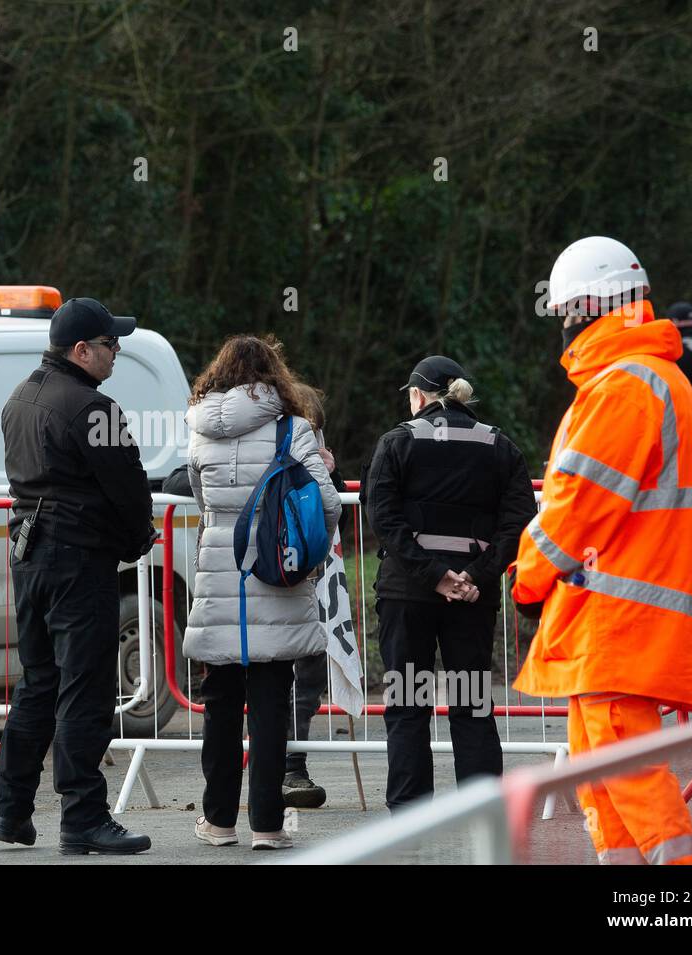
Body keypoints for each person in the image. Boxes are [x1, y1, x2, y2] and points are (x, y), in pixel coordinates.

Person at [513, 236, 692, 864]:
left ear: (591, 307)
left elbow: (576, 508)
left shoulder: (622, 386)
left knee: (626, 775)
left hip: (616, 622)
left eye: (568, 312)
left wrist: (527, 579)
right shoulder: (657, 380)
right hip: (625, 617)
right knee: (603, 777)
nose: (565, 327)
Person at [0, 297, 156, 855]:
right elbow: (128, 485)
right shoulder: (94, 408)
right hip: (78, 557)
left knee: (38, 683)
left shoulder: (19, 398)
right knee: (85, 688)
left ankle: (10, 810)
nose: (117, 353)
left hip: (29, 554)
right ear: (81, 349)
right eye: (111, 345)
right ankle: (83, 816)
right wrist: (139, 537)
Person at [183, 335, 342, 850]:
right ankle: (268, 826)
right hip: (278, 571)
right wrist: (308, 554)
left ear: (218, 375)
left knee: (220, 704)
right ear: (274, 376)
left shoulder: (199, 432)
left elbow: (202, 497)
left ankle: (218, 821)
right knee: (271, 703)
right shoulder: (293, 428)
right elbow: (327, 503)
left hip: (220, 571)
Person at [365, 355, 535, 811]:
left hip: (407, 595)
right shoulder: (500, 446)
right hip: (471, 600)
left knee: (407, 706)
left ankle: (410, 817)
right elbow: (519, 520)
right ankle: (483, 816)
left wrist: (433, 575)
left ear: (418, 395)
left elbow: (384, 517)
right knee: (472, 704)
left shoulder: (397, 442)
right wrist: (475, 575)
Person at [282, 383, 348, 809]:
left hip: (311, 573)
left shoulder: (312, 445)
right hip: (275, 573)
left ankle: (293, 765)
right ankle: (282, 768)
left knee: (306, 677)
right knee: (274, 676)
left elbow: (334, 502)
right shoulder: (263, 442)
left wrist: (331, 473)